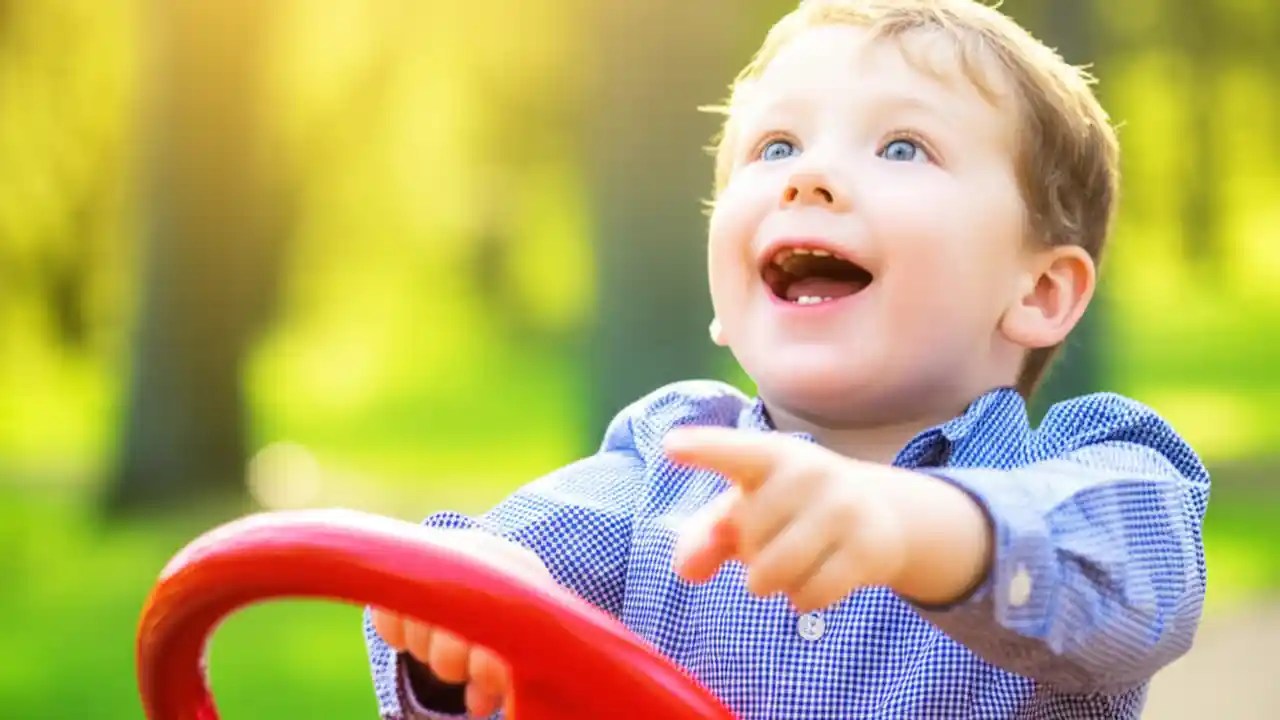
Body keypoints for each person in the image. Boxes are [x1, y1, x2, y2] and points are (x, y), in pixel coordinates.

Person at [364, 1, 1210, 717]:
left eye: (903, 146)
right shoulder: (663, 463)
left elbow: (1138, 580)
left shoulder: (1099, 467)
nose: (809, 179)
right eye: (775, 148)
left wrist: (912, 525)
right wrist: (461, 620)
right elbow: (470, 585)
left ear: (1040, 294)